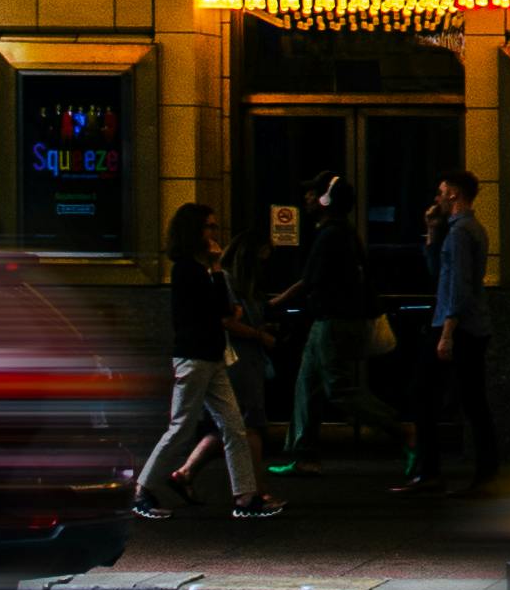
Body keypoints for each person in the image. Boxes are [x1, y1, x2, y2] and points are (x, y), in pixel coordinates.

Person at [124, 201, 281, 523]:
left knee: (234, 427)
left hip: (211, 358)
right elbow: (224, 311)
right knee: (181, 427)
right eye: (209, 226)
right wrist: (218, 270)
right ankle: (141, 490)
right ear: (194, 231)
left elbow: (223, 309)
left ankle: (245, 496)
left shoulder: (200, 270)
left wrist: (217, 270)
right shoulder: (187, 270)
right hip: (194, 360)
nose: (214, 232)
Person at [412, 168, 501, 498]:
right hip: (464, 325)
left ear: (453, 193)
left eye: (441, 191)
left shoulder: (463, 232)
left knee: (427, 393)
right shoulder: (459, 230)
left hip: (457, 327)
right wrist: (432, 232)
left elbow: (458, 286)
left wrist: (447, 331)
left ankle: (433, 471)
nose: (436, 197)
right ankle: (482, 471)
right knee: (471, 399)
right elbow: (440, 273)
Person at [277, 170, 369, 475]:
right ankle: (305, 455)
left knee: (336, 387)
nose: (306, 198)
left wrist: (275, 303)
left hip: (330, 321)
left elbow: (309, 280)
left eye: (312, 193)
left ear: (326, 199)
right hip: (326, 320)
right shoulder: (342, 232)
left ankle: (402, 429)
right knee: (308, 385)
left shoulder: (330, 234)